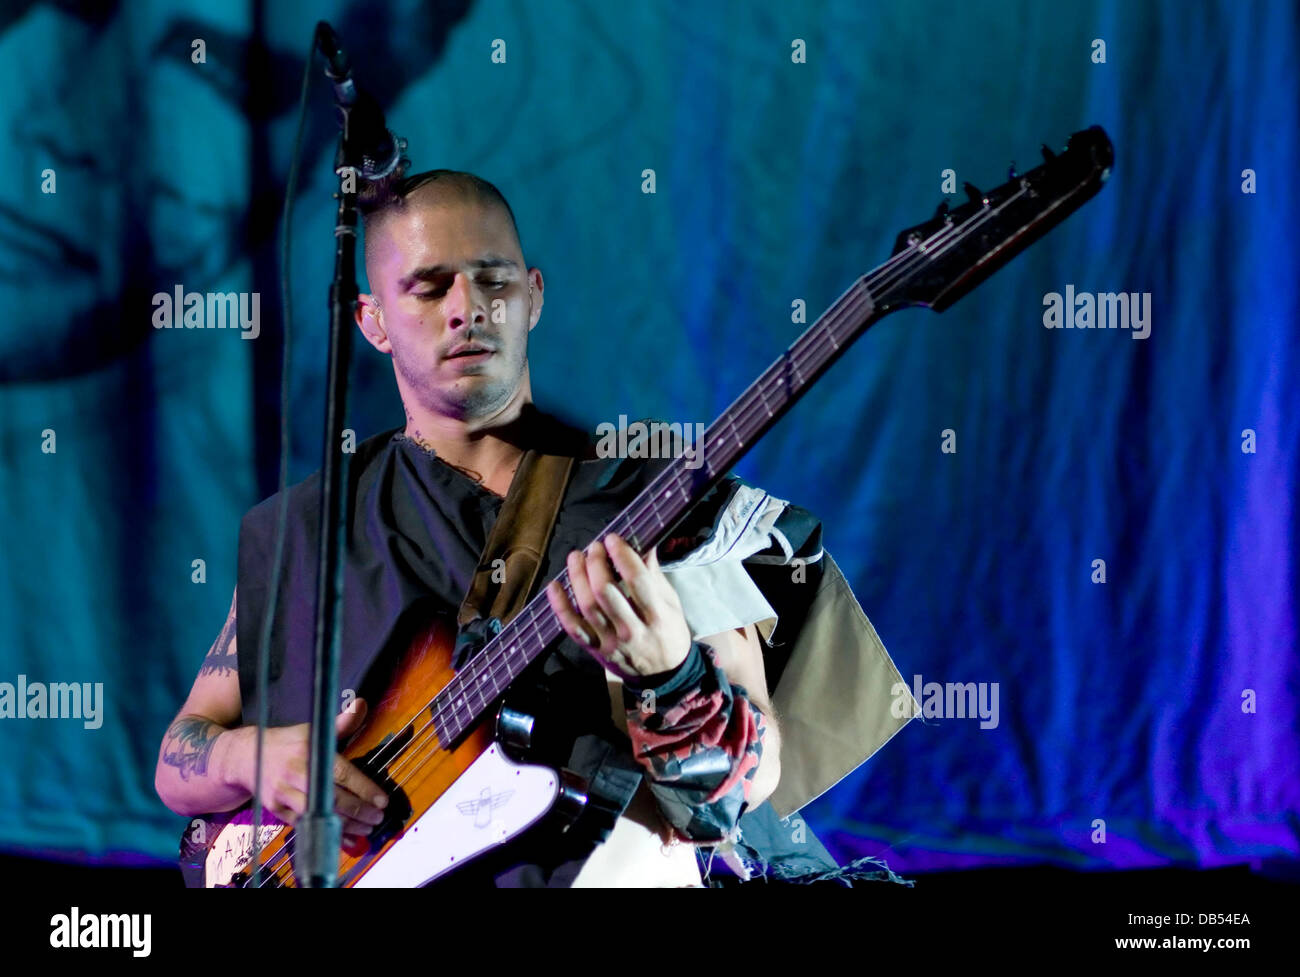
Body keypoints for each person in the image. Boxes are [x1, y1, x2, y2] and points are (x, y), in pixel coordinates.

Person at [155, 169, 913, 887]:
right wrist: (252, 757)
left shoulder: (649, 496)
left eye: (493, 280)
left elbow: (746, 787)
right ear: (372, 320)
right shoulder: (308, 526)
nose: (468, 307)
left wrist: (672, 673)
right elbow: (179, 755)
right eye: (429, 286)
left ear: (534, 295)